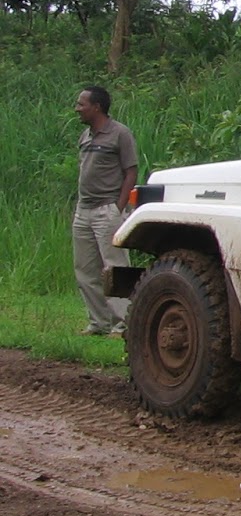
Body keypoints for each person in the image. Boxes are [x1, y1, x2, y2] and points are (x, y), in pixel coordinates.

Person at [73, 85, 138, 335]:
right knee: (85, 269)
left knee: (114, 268)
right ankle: (98, 322)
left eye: (81, 104)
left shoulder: (120, 134)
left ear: (96, 107)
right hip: (84, 210)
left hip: (106, 210)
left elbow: (130, 171)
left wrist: (118, 207)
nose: (77, 109)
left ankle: (123, 323)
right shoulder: (85, 136)